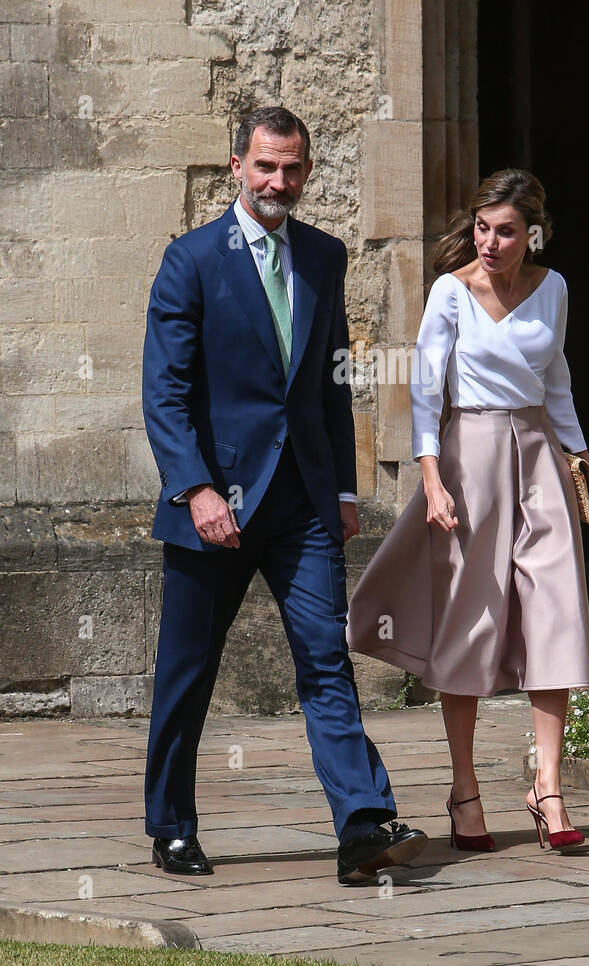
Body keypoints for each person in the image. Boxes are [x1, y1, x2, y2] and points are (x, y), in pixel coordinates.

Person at [141, 105, 427, 884]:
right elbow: (164, 393)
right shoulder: (190, 261)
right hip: (213, 506)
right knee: (186, 671)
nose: (279, 182)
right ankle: (169, 826)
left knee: (325, 664)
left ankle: (362, 824)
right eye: (265, 166)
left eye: (292, 168)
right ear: (237, 165)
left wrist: (342, 486)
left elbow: (331, 387)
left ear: (306, 171)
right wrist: (195, 487)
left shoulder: (325, 259)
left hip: (302, 502)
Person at [346, 168, 589, 852]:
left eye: (506, 231)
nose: (489, 242)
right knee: (471, 620)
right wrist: (430, 477)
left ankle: (547, 789)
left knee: (558, 614)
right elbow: (426, 392)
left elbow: (558, 381)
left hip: (539, 457)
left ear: (532, 234)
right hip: (469, 458)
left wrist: (577, 457)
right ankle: (464, 789)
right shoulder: (450, 293)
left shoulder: (554, 290)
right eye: (482, 228)